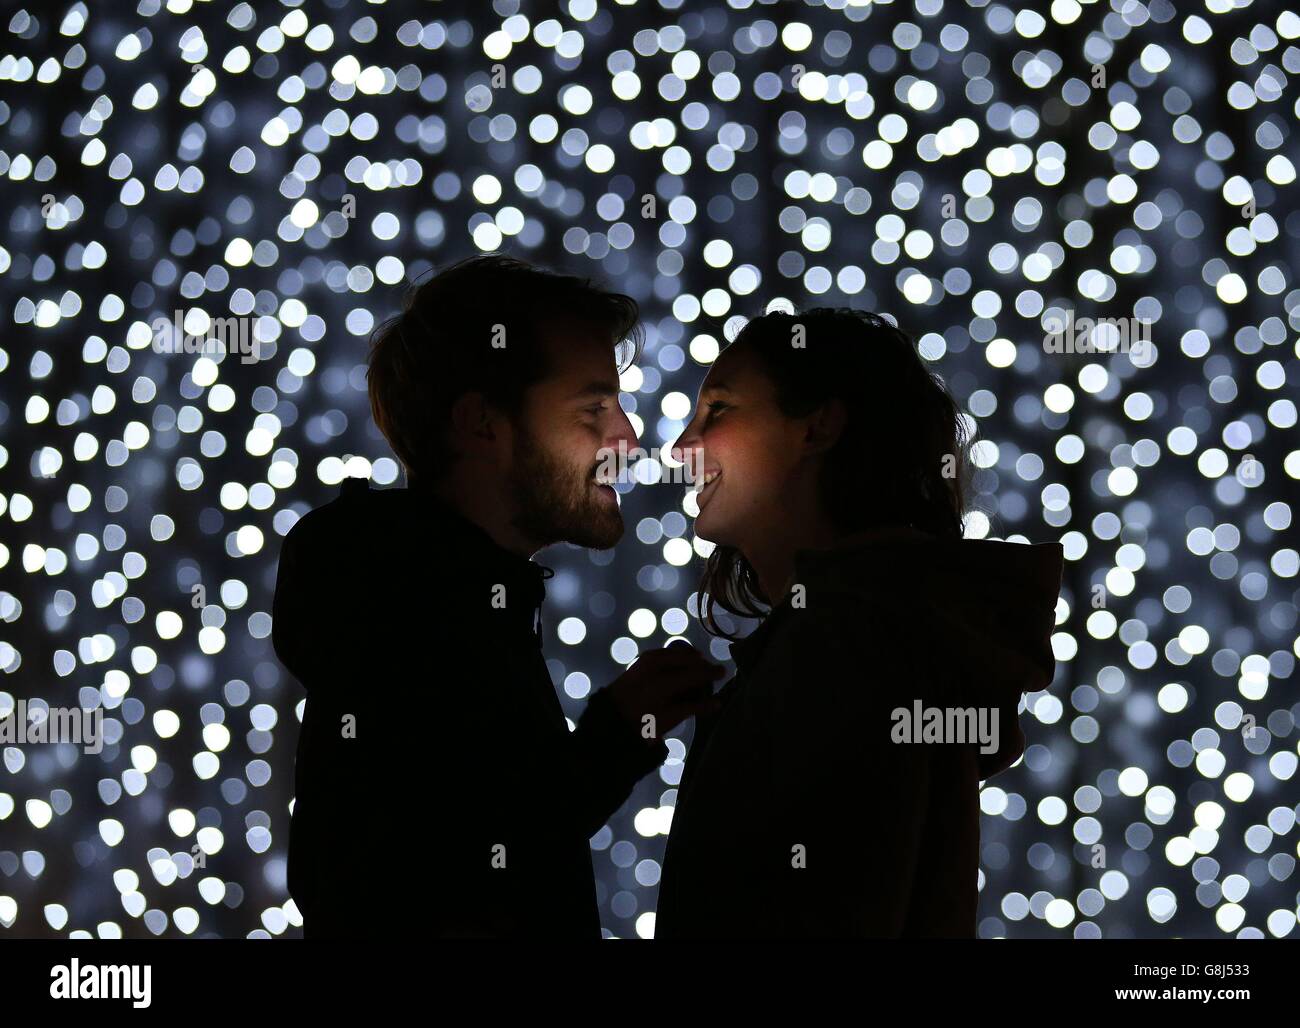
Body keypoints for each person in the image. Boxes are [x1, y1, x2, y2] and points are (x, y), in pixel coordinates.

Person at [272, 255, 721, 937]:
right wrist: (613, 738)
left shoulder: (431, 596)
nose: (626, 437)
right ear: (482, 421)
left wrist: (618, 734)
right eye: (593, 407)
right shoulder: (407, 619)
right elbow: (414, 886)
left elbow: (482, 839)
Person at [655, 307, 1064, 938]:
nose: (683, 449)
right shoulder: (862, 634)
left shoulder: (847, 649)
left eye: (720, 410)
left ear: (817, 427)